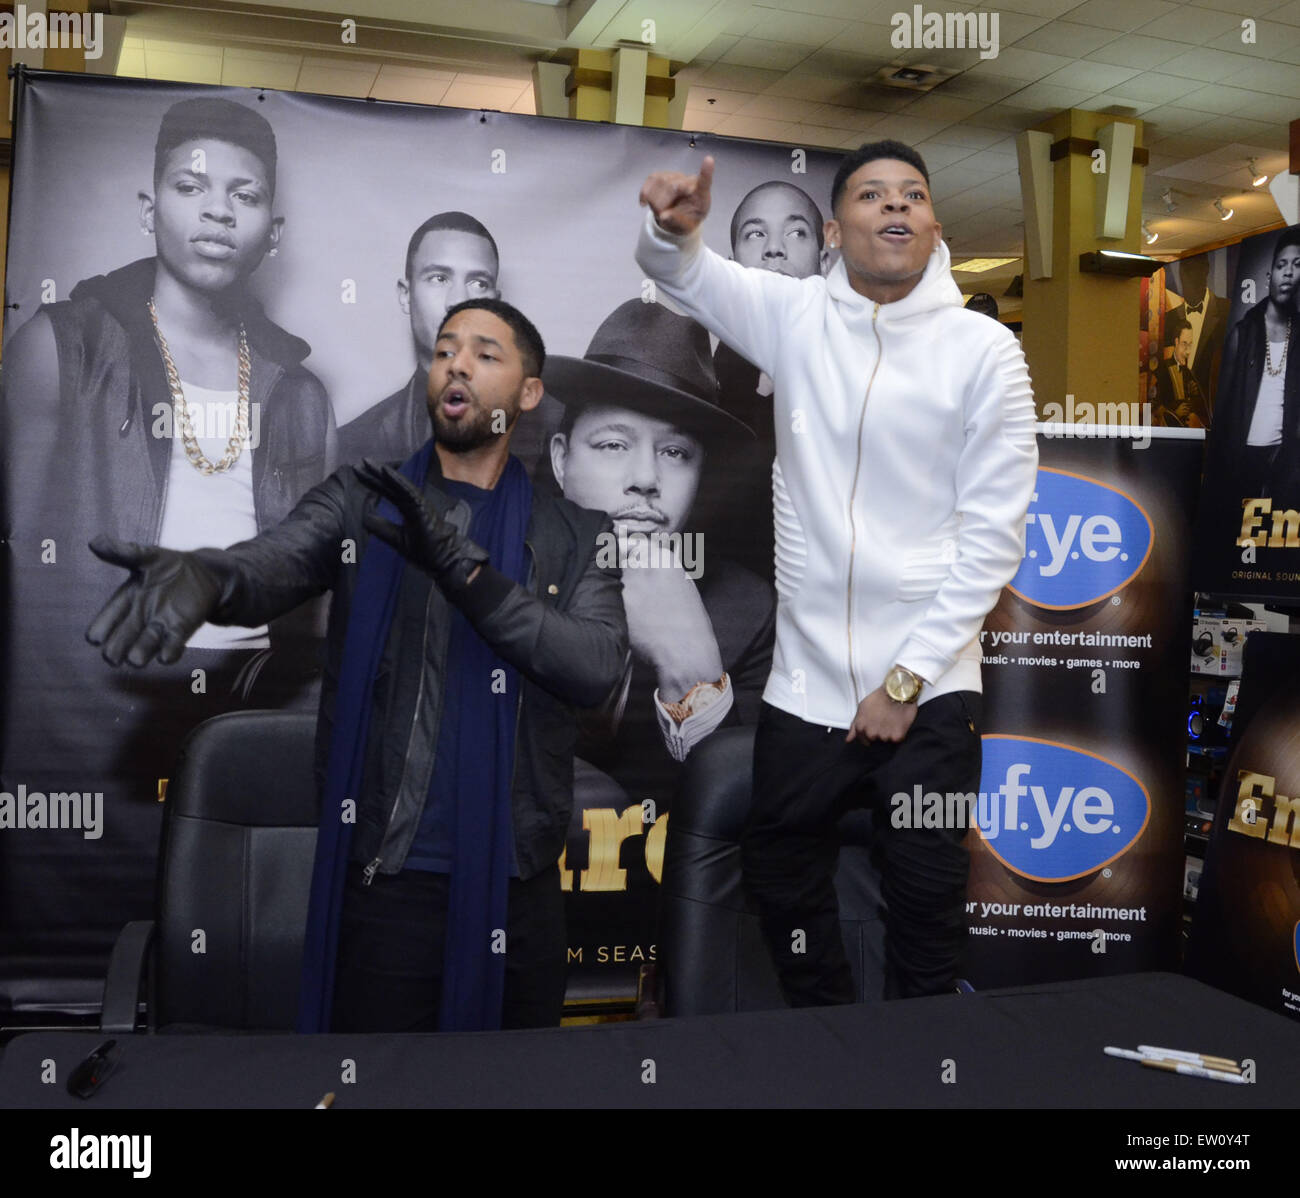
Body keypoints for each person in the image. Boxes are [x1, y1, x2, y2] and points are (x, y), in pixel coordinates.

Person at [85, 298, 629, 1033]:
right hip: (387, 885)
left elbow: (595, 665)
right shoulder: (362, 504)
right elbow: (271, 564)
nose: (457, 364)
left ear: (530, 393)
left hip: (518, 889)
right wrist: (210, 578)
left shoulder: (576, 534)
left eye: (485, 353)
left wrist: (467, 576)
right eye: (444, 350)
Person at [635, 139, 1038, 1005]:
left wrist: (905, 678)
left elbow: (995, 537)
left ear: (935, 226)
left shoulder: (983, 351)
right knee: (779, 872)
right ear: (832, 228)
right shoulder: (794, 318)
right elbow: (684, 276)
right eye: (871, 195)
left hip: (928, 687)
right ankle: (835, 1031)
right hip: (807, 683)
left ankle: (926, 1066)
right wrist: (672, 234)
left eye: (913, 196)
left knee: (927, 904)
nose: (895, 208)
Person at [543, 298, 775, 782]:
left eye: (674, 451)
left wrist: (694, 678)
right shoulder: (492, 576)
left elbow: (750, 827)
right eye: (613, 445)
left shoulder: (751, 614)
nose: (646, 478)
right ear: (561, 460)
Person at [713, 181, 830, 578]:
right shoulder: (700, 387)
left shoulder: (869, 378)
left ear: (825, 260)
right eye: (756, 233)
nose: (774, 249)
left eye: (796, 233)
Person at [338, 211, 500, 466]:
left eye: (479, 283)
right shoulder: (353, 444)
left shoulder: (541, 430)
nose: (458, 300)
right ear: (406, 294)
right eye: (439, 278)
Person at [1204, 227, 1300, 503]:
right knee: (1237, 532)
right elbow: (1223, 409)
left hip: (1283, 459)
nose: (1289, 273)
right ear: (1269, 275)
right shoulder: (1243, 333)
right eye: (1282, 265)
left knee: (1273, 537)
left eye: (1297, 265)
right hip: (1241, 456)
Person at [1155, 320, 1208, 428]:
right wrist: (1174, 413)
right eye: (1184, 344)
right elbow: (1153, 405)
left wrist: (1194, 398)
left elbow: (1201, 409)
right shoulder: (1162, 369)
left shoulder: (1189, 373)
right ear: (1176, 342)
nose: (1188, 351)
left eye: (1190, 344)